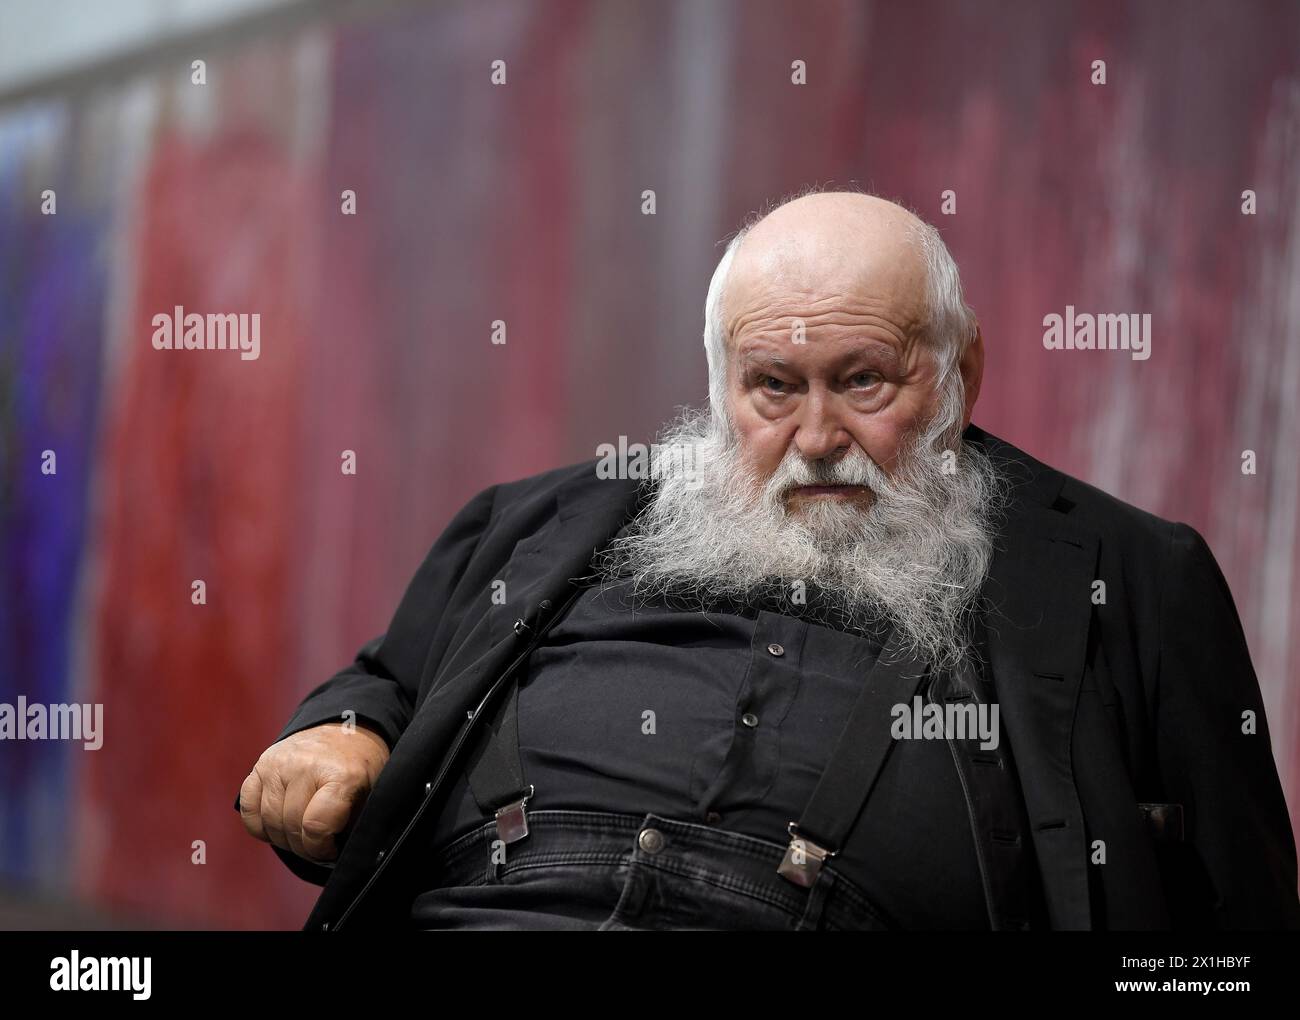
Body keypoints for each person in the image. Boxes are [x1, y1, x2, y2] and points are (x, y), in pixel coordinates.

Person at [236, 189, 1300, 930]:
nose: (819, 435)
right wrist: (335, 734)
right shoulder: (533, 523)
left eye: (864, 380)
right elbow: (386, 685)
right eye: (773, 387)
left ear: (961, 367)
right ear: (717, 382)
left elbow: (1234, 913)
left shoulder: (1131, 575)